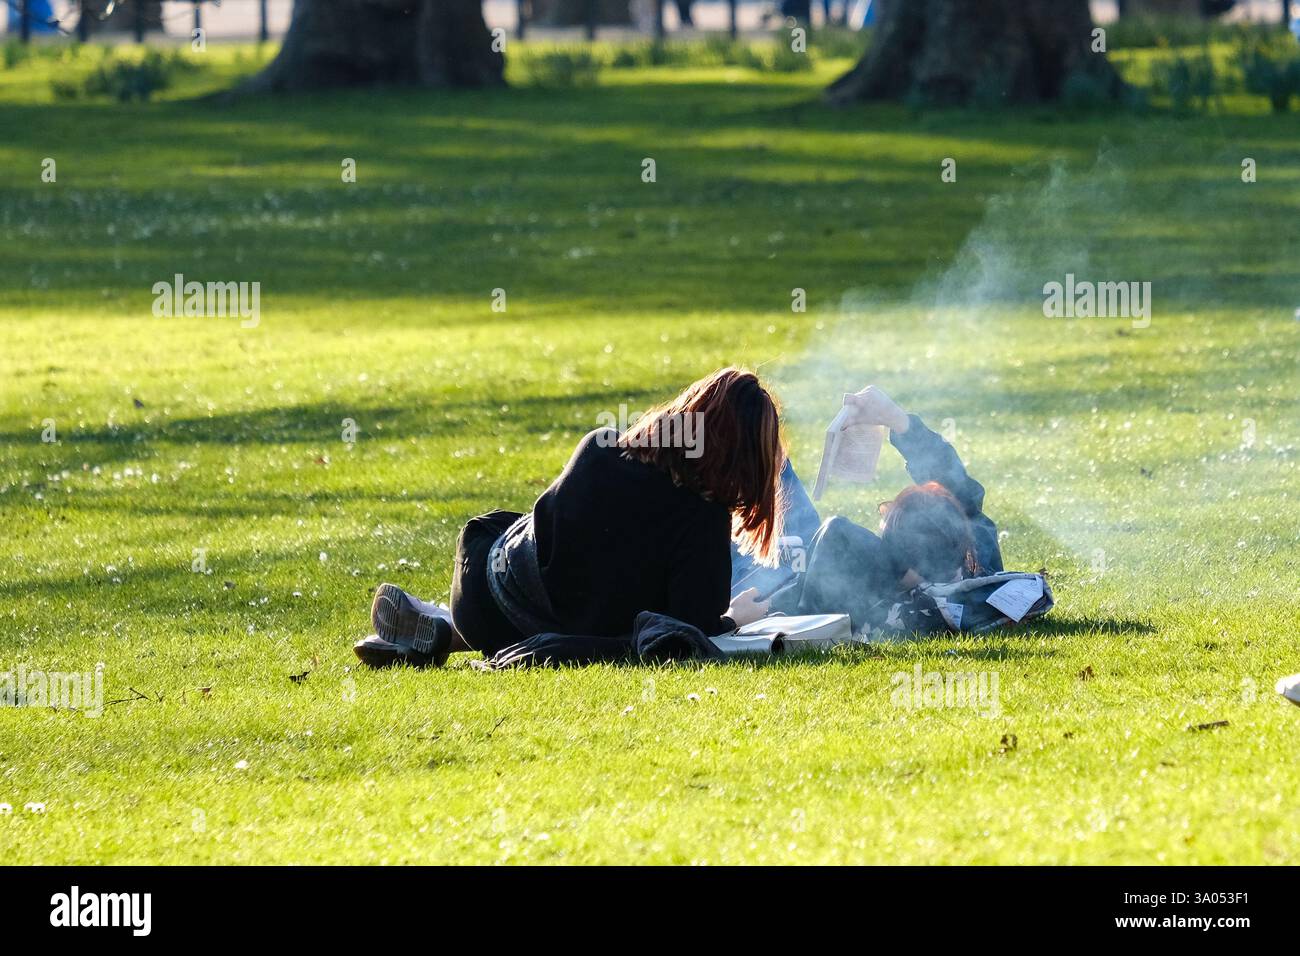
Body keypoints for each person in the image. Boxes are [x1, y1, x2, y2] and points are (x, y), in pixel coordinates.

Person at [355, 368, 784, 668]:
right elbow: (689, 628)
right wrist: (736, 616)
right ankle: (444, 629)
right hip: (531, 636)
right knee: (597, 608)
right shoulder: (703, 523)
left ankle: (442, 625)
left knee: (535, 543)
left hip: (479, 584)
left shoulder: (601, 445)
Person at [762, 385, 1003, 632]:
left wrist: (767, 607)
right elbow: (962, 495)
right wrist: (897, 420)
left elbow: (834, 535)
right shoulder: (978, 560)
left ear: (900, 566)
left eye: (887, 515)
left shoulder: (878, 597)